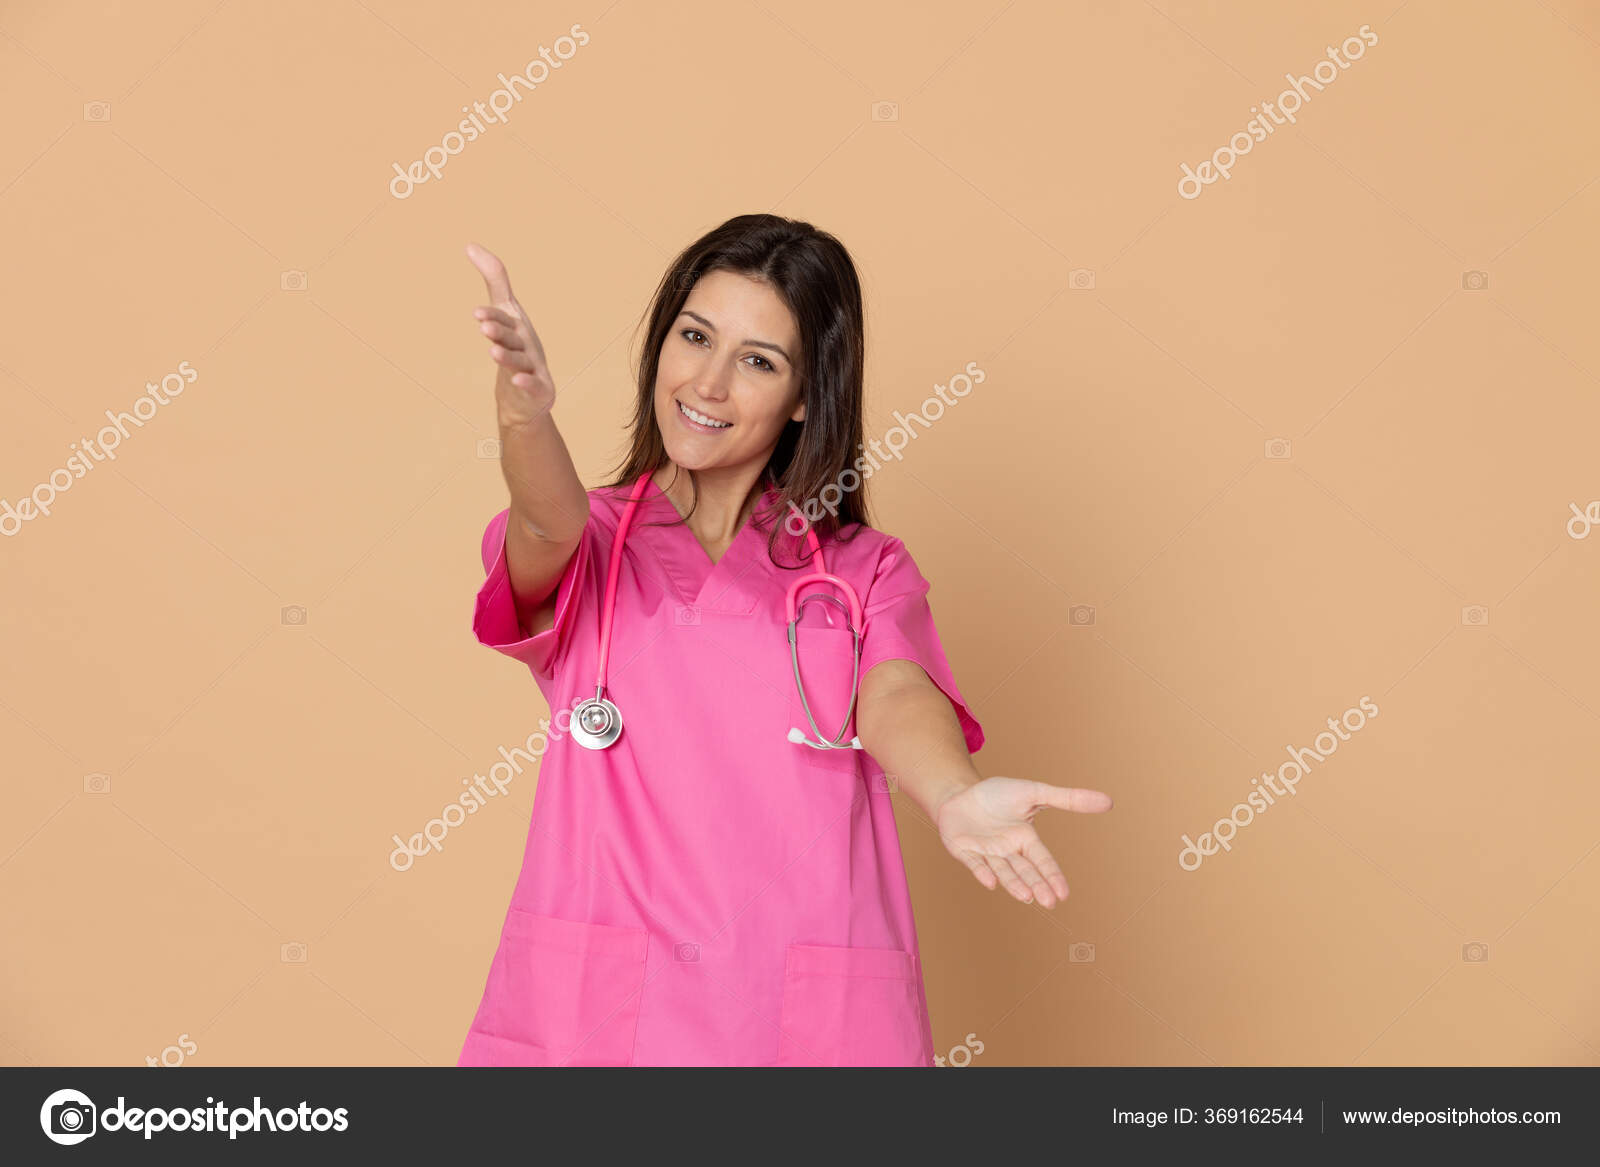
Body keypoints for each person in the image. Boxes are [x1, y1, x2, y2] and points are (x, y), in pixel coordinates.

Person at [456, 214, 1112, 1067]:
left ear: (806, 396)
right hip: (603, 1016)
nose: (709, 382)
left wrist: (954, 794)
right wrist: (524, 415)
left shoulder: (860, 569)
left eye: (758, 360)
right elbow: (546, 518)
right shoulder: (593, 545)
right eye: (695, 337)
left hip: (798, 1016)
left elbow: (896, 692)